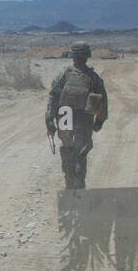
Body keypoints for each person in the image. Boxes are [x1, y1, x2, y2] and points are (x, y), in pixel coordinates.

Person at [45, 43, 108, 189]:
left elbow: (53, 96)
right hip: (84, 117)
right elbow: (103, 100)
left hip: (65, 114)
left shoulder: (64, 74)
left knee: (67, 147)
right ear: (87, 55)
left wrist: (49, 119)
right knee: (81, 151)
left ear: (72, 55)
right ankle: (79, 183)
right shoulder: (93, 77)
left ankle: (69, 178)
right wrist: (100, 121)